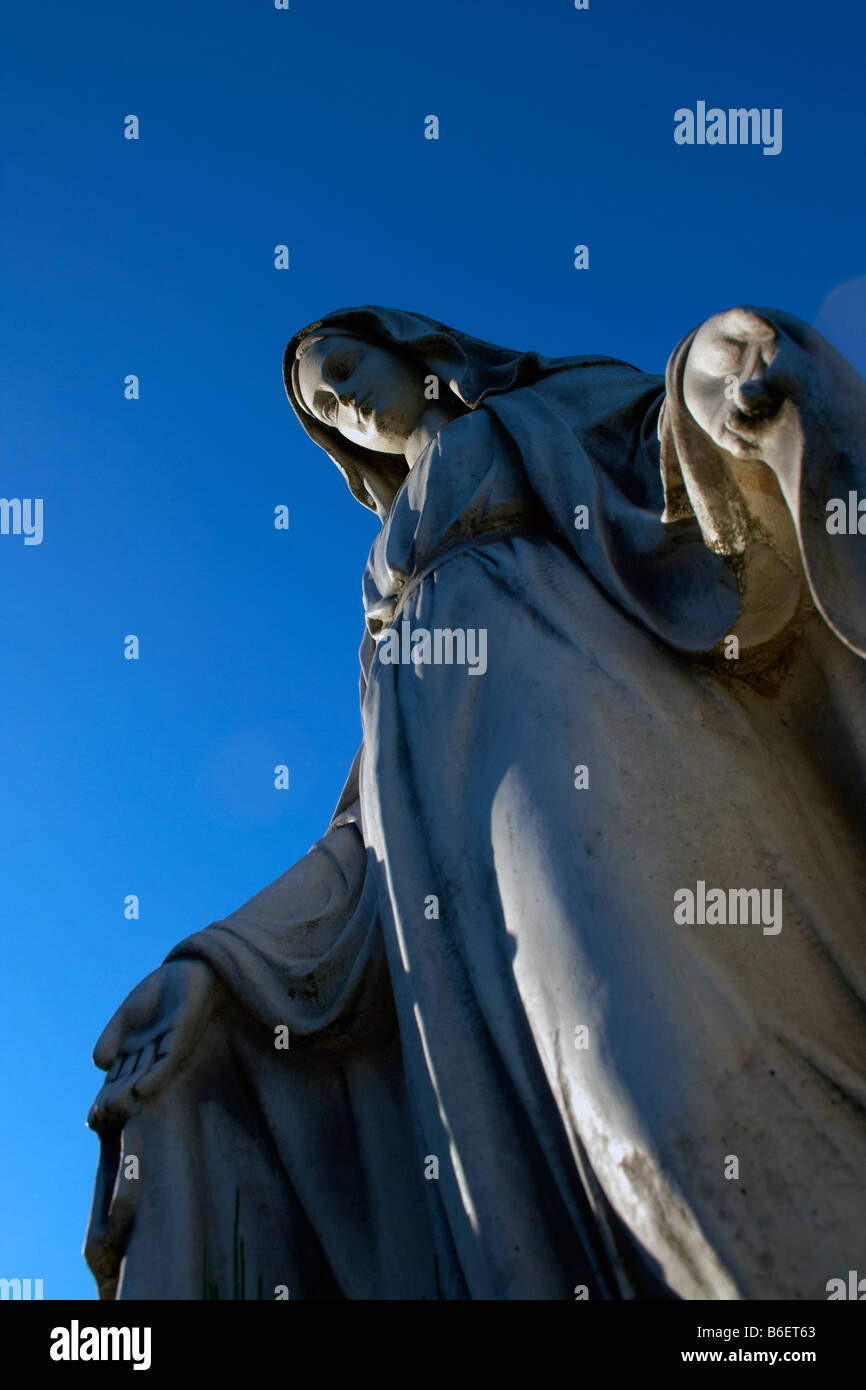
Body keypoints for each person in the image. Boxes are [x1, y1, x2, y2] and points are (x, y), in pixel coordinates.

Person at [85, 303, 866, 1300]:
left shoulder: (540, 416)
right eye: (323, 403)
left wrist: (722, 378)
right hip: (437, 857)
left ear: (416, 350)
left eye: (344, 366)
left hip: (573, 732)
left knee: (643, 1074)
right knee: (504, 1186)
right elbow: (363, 822)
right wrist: (219, 967)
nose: (342, 400)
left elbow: (669, 467)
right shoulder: (387, 590)